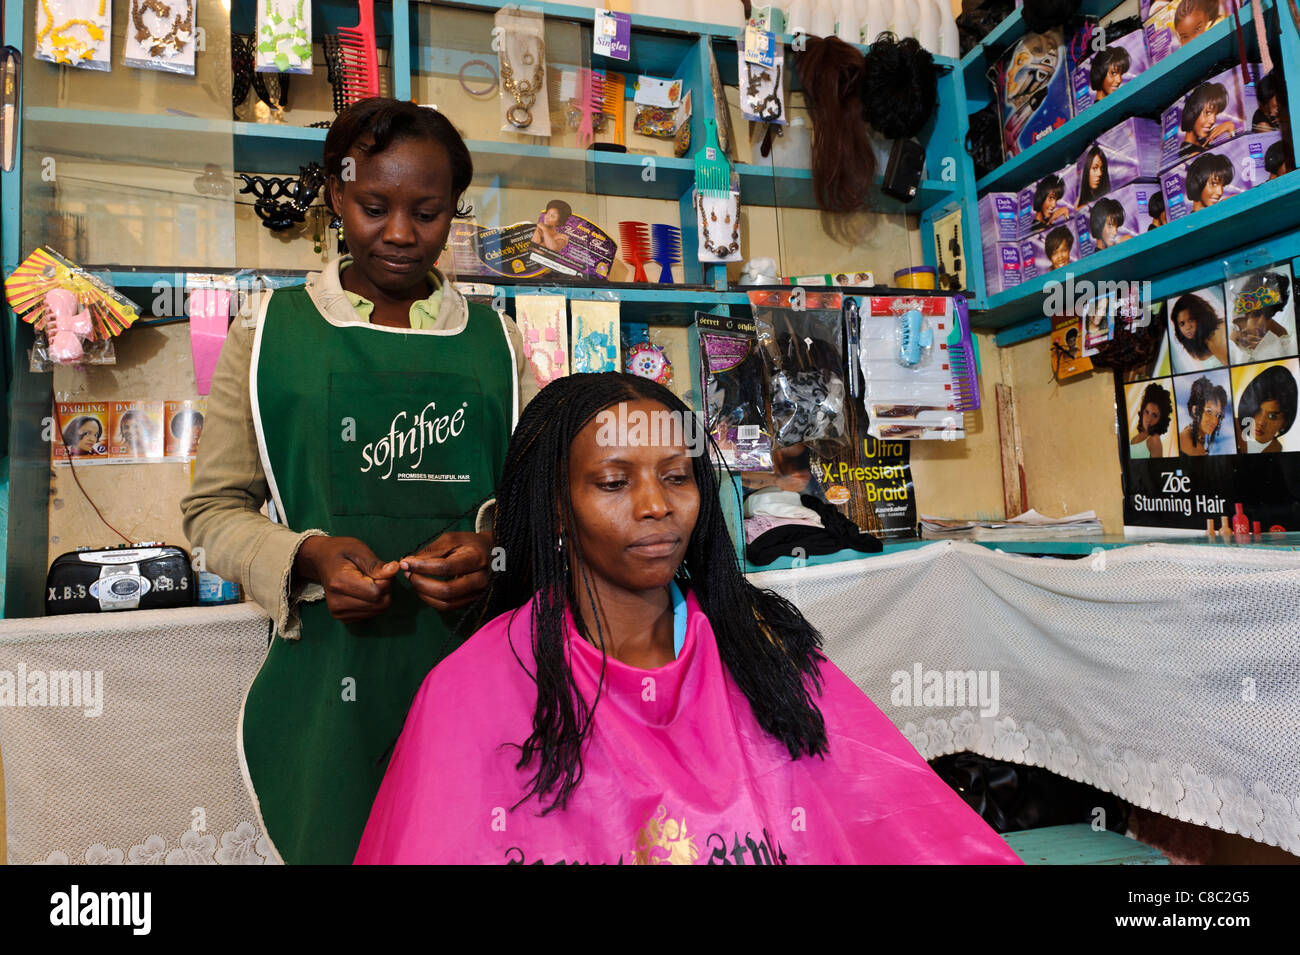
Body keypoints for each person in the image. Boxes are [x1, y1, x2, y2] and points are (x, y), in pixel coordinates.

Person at [354, 373, 1022, 864]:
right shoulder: (467, 691)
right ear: (556, 506)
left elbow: (900, 823)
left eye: (677, 477)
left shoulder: (759, 654)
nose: (656, 506)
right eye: (614, 483)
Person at [181, 98, 539, 865]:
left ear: (454, 212)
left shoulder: (500, 345)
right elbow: (213, 511)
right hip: (325, 695)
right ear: (337, 196)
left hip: (476, 680)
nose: (403, 234)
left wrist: (494, 545)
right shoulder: (269, 332)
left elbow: (548, 503)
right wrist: (306, 555)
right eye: (374, 207)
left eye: (429, 211)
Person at [1230, 271, 1293, 361]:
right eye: (1256, 314)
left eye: (1269, 315)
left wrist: (1264, 350)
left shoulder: (1281, 338)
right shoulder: (1233, 327)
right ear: (1246, 312)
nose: (1261, 323)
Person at [1237, 365, 1297, 453]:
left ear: (1284, 423)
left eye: (1272, 416)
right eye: (1257, 410)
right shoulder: (1228, 429)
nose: (1261, 422)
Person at [1170, 292, 1228, 369]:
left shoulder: (1215, 334)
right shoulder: (1192, 344)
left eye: (1191, 320)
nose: (1188, 327)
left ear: (1202, 317)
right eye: (1182, 323)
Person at [1179, 83, 1233, 159]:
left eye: (1215, 114)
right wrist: (1230, 127)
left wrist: (1230, 127)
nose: (1213, 120)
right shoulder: (1193, 154)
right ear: (1193, 112)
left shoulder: (1203, 142)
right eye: (1208, 112)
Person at [1179, 375, 1230, 455]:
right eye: (1209, 412)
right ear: (1195, 410)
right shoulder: (1187, 443)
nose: (1214, 421)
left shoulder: (1197, 436)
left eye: (1218, 415)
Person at [1130, 382, 1173, 459]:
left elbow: (1157, 470)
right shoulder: (1137, 436)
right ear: (1143, 411)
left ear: (1160, 419)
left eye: (1154, 415)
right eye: (1147, 412)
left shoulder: (1154, 439)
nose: (1149, 419)